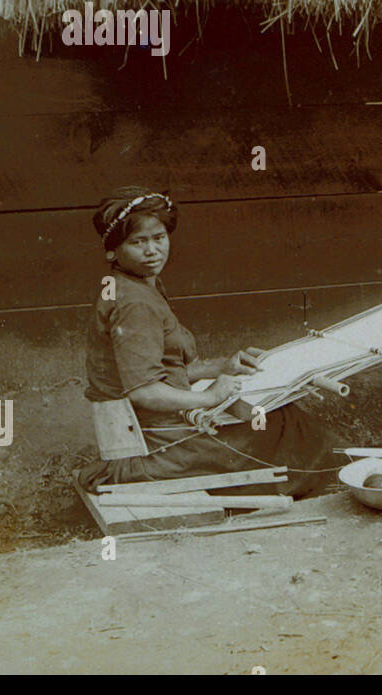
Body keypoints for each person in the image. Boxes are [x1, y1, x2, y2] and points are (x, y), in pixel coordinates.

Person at [79, 187, 335, 495]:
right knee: (280, 425)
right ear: (112, 250)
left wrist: (221, 366)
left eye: (159, 238)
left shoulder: (134, 285)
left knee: (278, 415)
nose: (152, 251)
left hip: (149, 429)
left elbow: (158, 369)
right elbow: (144, 390)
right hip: (152, 445)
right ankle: (319, 485)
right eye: (138, 242)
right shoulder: (133, 303)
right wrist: (210, 398)